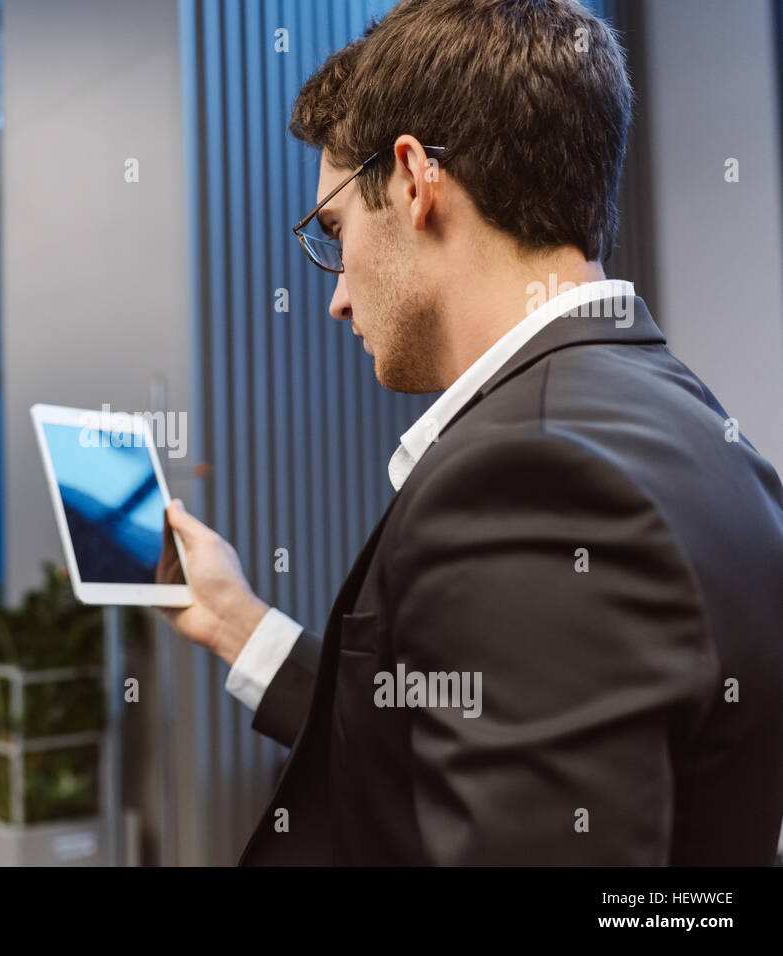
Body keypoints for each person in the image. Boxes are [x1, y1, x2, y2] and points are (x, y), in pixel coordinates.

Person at [160, 0, 783, 865]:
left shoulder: (530, 480)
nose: (337, 294)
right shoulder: (703, 434)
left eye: (335, 232)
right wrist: (236, 622)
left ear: (415, 182)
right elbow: (448, 734)